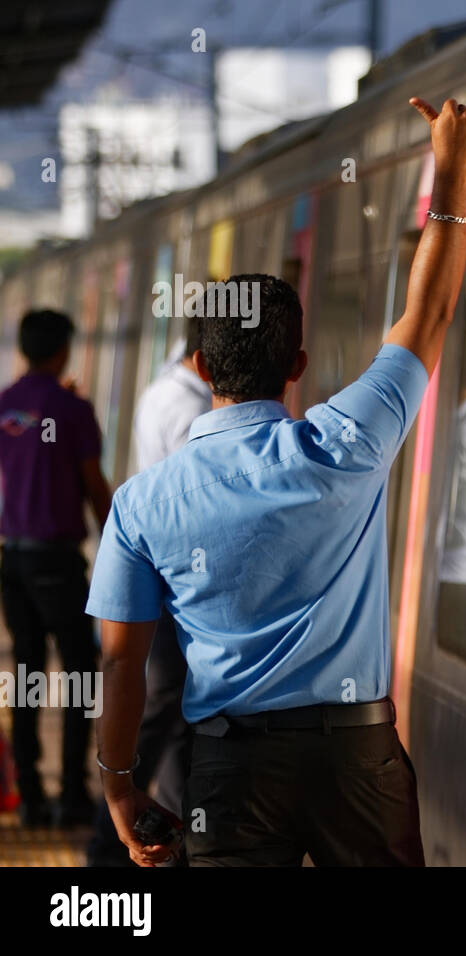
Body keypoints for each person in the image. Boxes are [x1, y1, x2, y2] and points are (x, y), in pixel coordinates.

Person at [86, 96, 466, 867]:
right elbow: (428, 312)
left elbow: (123, 663)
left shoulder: (141, 504)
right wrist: (452, 170)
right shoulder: (349, 440)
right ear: (297, 366)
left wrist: (120, 785)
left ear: (200, 370)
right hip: (358, 762)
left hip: (231, 771)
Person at [86, 322, 210, 866]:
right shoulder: (188, 410)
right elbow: (195, 504)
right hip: (171, 595)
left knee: (173, 723)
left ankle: (183, 838)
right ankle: (109, 843)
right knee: (157, 715)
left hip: (163, 589)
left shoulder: (164, 390)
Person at [0, 309, 112, 828]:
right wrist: (118, 544)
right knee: (81, 674)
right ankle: (72, 792)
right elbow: (93, 484)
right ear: (62, 349)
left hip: (13, 560)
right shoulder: (72, 408)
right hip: (58, 561)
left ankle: (30, 795)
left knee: (26, 674)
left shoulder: (5, 405)